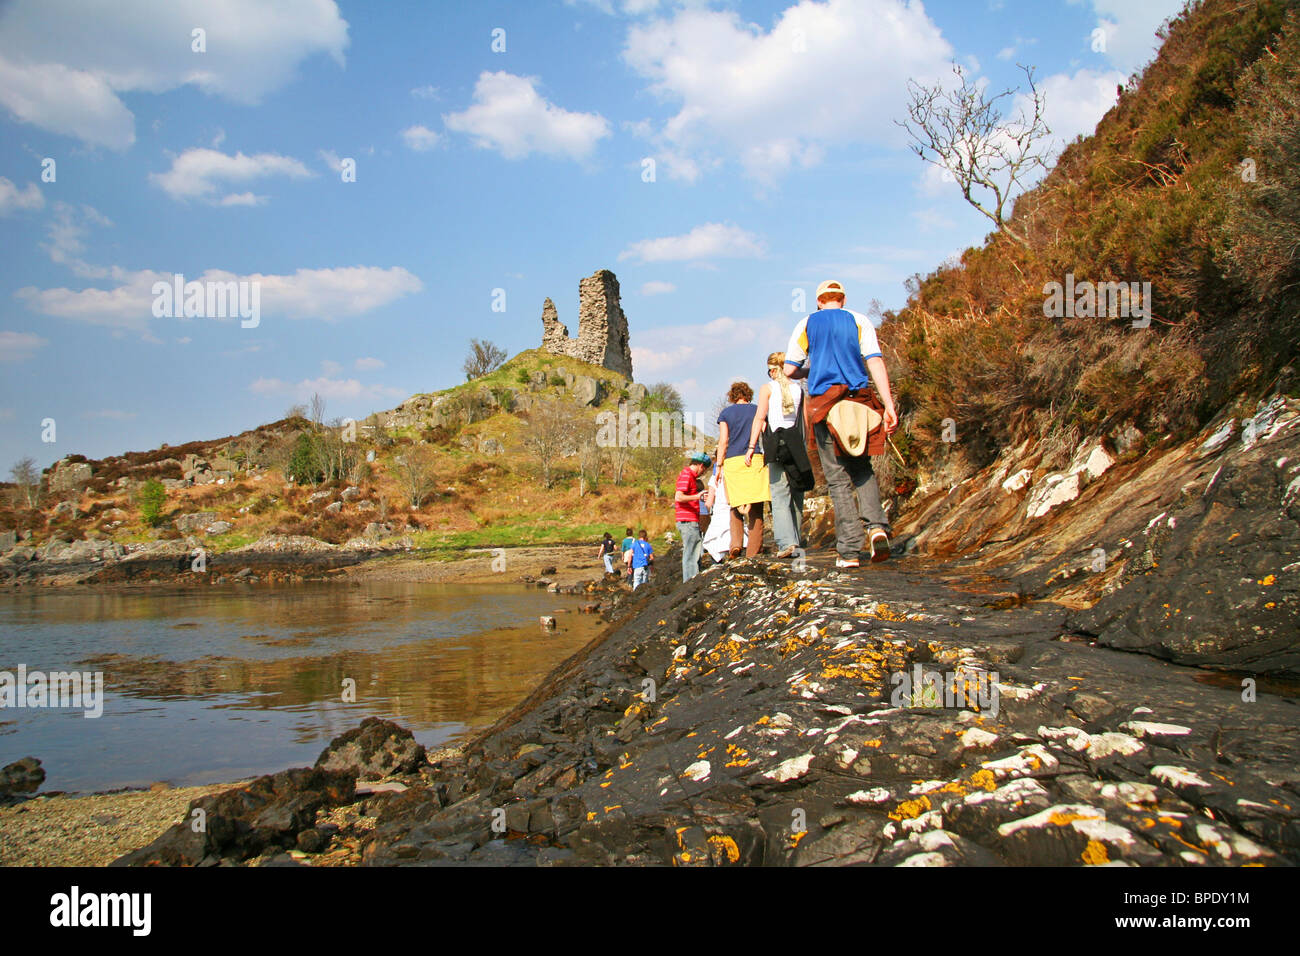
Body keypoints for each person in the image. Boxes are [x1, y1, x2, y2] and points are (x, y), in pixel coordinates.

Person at [784, 280, 899, 568]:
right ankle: (876, 528)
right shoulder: (860, 321)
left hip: (825, 404)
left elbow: (789, 369)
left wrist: (811, 368)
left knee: (836, 477)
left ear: (820, 301)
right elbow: (874, 361)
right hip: (859, 400)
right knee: (862, 467)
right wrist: (888, 404)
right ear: (842, 300)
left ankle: (849, 550)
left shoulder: (807, 323)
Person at [746, 351, 815, 558]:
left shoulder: (767, 389)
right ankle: (796, 539)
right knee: (796, 493)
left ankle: (787, 543)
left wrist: (751, 447)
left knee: (779, 494)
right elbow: (805, 422)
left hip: (776, 445)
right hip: (796, 444)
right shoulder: (799, 390)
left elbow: (759, 418)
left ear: (774, 370)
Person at [716, 381, 770, 558]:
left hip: (732, 461)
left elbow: (723, 441)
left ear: (732, 396)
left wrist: (719, 466)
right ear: (748, 394)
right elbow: (765, 432)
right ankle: (753, 552)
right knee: (756, 506)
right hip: (754, 458)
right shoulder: (757, 410)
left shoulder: (726, 413)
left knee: (735, 504)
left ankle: (736, 544)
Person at [673, 450, 713, 583]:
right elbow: (679, 496)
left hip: (691, 519)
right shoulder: (687, 475)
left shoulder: (689, 476)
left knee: (694, 551)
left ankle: (692, 580)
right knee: (691, 554)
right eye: (704, 471)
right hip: (688, 520)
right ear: (701, 466)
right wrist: (698, 496)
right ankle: (690, 584)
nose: (703, 474)